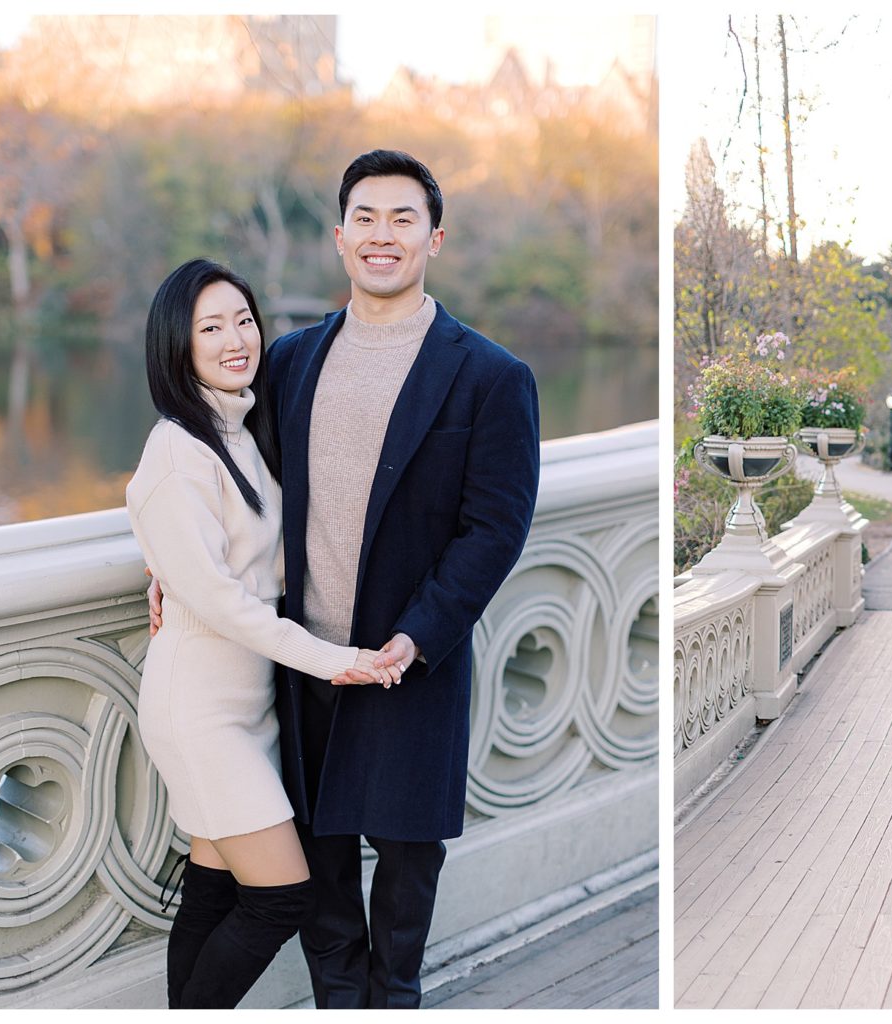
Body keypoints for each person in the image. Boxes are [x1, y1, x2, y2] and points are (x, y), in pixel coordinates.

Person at [151, 149, 541, 1008]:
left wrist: (419, 635)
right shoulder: (290, 359)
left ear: (434, 238)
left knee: (404, 883)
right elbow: (214, 458)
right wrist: (169, 563)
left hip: (408, 663)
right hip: (301, 669)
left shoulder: (491, 377)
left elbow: (495, 528)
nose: (382, 235)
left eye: (404, 219)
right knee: (322, 893)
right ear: (338, 236)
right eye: (365, 217)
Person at [127, 258, 397, 1008]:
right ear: (176, 347)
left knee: (214, 891)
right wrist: (333, 661)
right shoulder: (177, 449)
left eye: (242, 319)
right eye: (209, 328)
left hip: (249, 706)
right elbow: (219, 596)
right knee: (282, 897)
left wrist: (167, 569)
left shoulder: (241, 427)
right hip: (201, 709)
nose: (234, 339)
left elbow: (250, 554)